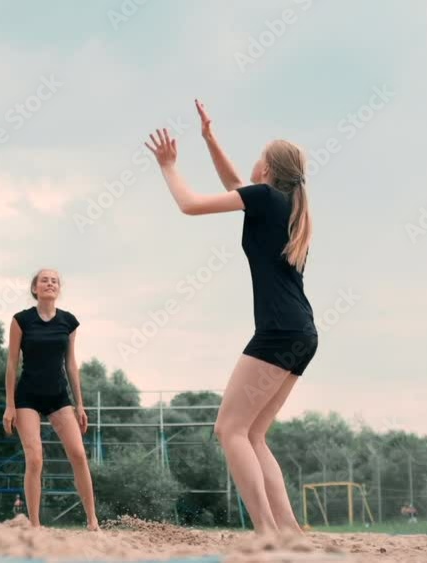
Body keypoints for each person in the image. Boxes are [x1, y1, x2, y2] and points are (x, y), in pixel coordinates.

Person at [146, 100, 316, 536]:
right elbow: (235, 183)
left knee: (230, 430)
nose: (254, 161)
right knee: (254, 435)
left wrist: (168, 166)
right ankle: (288, 531)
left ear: (268, 169)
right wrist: (209, 138)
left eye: (260, 153)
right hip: (302, 332)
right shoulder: (284, 206)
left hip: (278, 332)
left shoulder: (263, 199)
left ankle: (264, 531)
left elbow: (189, 204)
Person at [3, 268, 99, 531]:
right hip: (27, 397)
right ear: (35, 288)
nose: (50, 283)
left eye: (54, 281)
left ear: (59, 289)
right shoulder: (21, 320)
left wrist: (79, 404)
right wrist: (9, 405)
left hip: (58, 396)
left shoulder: (68, 322)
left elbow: (71, 364)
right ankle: (34, 525)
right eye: (44, 280)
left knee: (79, 454)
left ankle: (92, 521)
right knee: (35, 459)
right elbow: (12, 363)